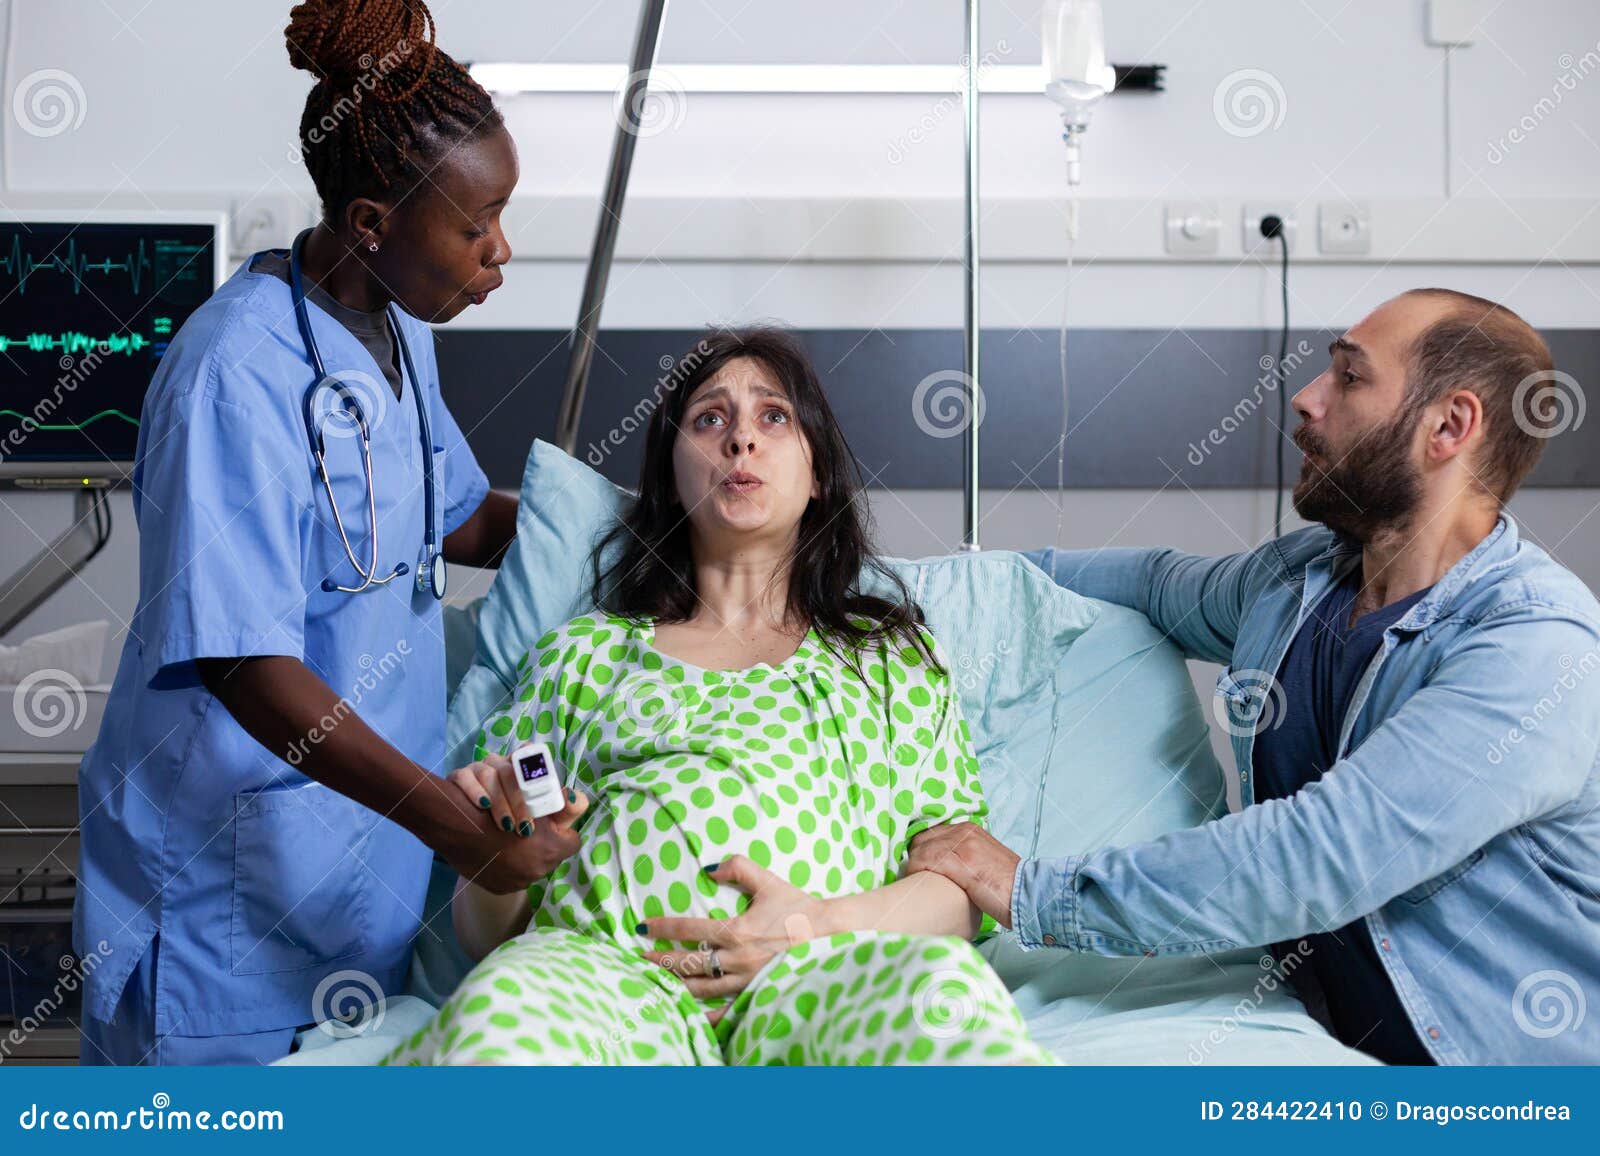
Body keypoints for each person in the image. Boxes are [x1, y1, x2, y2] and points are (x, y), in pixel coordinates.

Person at [906, 288, 1600, 1065]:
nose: (1307, 398)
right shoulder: (1299, 583)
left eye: (1349, 377)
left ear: (1449, 426)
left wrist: (1033, 891)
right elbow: (1142, 583)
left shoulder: (1535, 646)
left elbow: (1323, 855)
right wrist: (859, 582)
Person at [74, 0, 576, 1065]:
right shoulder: (232, 375)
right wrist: (451, 824)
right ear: (370, 222)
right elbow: (243, 664)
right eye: (477, 225)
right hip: (225, 878)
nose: (501, 251)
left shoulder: (395, 332)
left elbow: (452, 517)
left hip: (351, 865)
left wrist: (638, 528)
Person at [379, 327, 1053, 1066]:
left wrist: (809, 930)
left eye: (774, 416)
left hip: (821, 973)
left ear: (818, 473)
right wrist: (499, 862)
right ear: (670, 478)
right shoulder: (583, 655)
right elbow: (488, 937)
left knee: (947, 1006)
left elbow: (955, 894)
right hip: (601, 978)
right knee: (497, 1024)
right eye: (709, 418)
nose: (741, 439)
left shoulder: (888, 658)